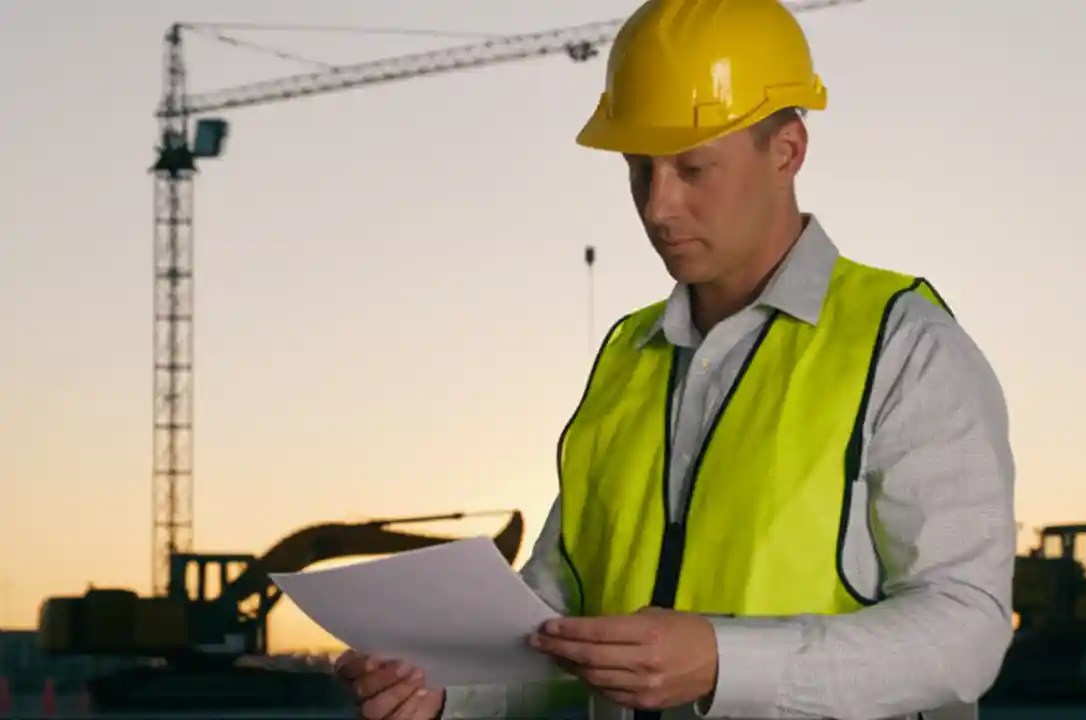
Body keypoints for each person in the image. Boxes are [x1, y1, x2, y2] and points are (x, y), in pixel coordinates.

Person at [334, 0, 1017, 717]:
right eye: (639, 170)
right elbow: (558, 625)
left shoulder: (903, 344)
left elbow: (963, 633)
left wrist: (723, 662)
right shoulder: (629, 357)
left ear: (787, 150)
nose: (657, 207)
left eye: (693, 169)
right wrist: (445, 694)